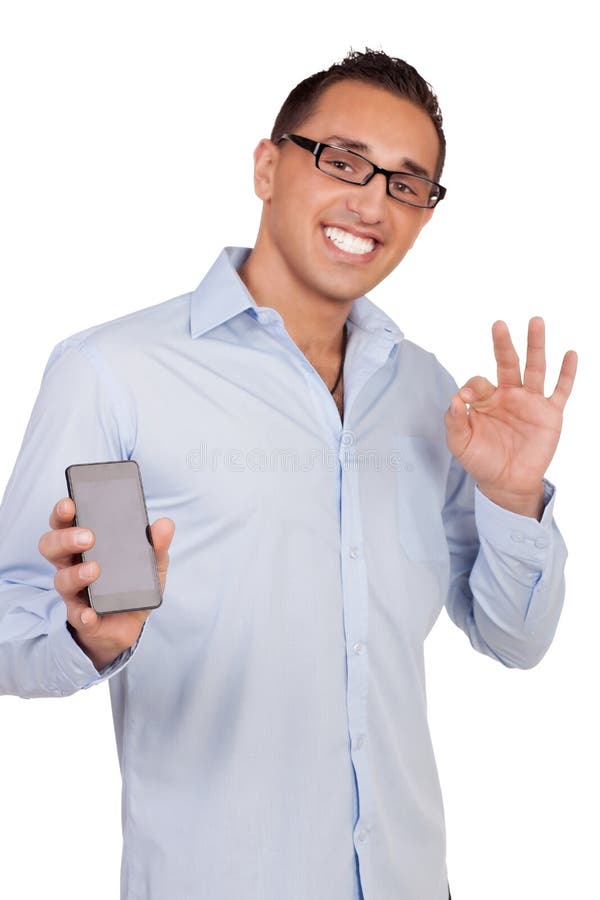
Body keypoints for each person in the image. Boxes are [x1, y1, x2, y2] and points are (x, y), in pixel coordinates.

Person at [0, 49, 577, 900]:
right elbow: (12, 627)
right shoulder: (111, 371)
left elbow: (515, 640)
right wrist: (94, 636)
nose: (371, 200)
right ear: (268, 167)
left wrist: (514, 495)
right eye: (342, 161)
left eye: (406, 184)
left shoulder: (429, 394)